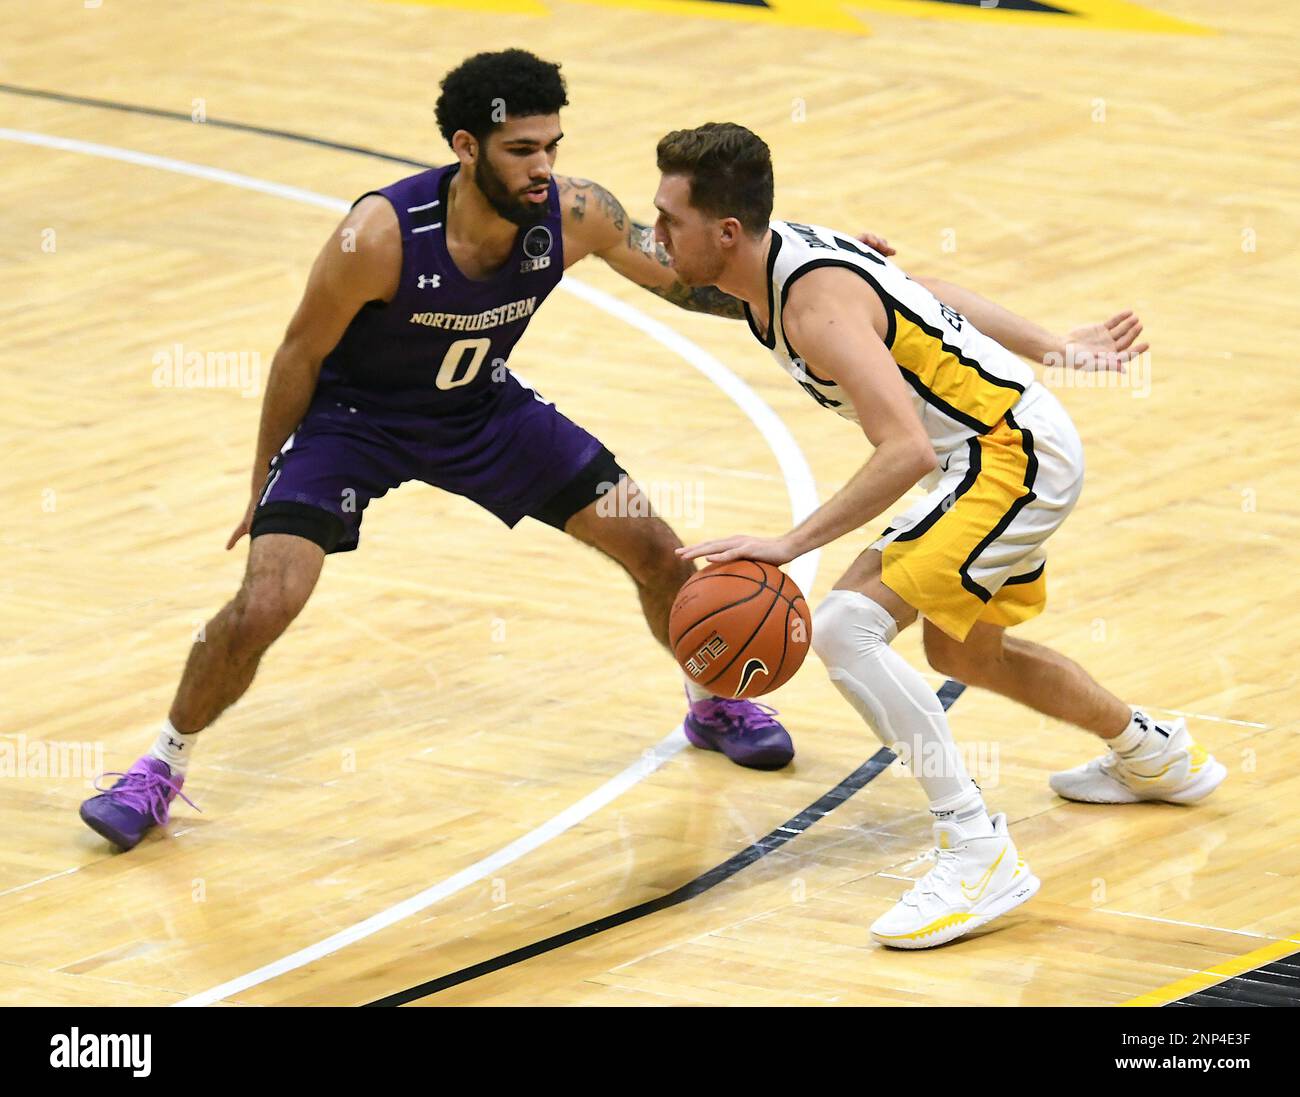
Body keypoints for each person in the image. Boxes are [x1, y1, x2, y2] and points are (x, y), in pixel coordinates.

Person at [80, 53, 861, 851]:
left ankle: (711, 701)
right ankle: (159, 768)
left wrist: (808, 275)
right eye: (522, 149)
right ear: (466, 146)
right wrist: (261, 483)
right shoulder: (378, 236)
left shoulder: (577, 212)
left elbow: (688, 280)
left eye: (551, 145)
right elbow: (296, 355)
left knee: (659, 549)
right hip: (356, 422)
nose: (543, 167)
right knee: (266, 601)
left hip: (483, 410)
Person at [655, 122, 1225, 949]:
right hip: (1003, 446)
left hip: (1004, 456)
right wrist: (1053, 346)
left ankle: (976, 849)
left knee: (848, 627)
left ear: (728, 233)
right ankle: (1154, 752)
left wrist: (789, 542)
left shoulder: (812, 305)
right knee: (965, 655)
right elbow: (926, 294)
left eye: (671, 219)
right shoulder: (786, 257)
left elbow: (905, 449)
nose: (657, 233)